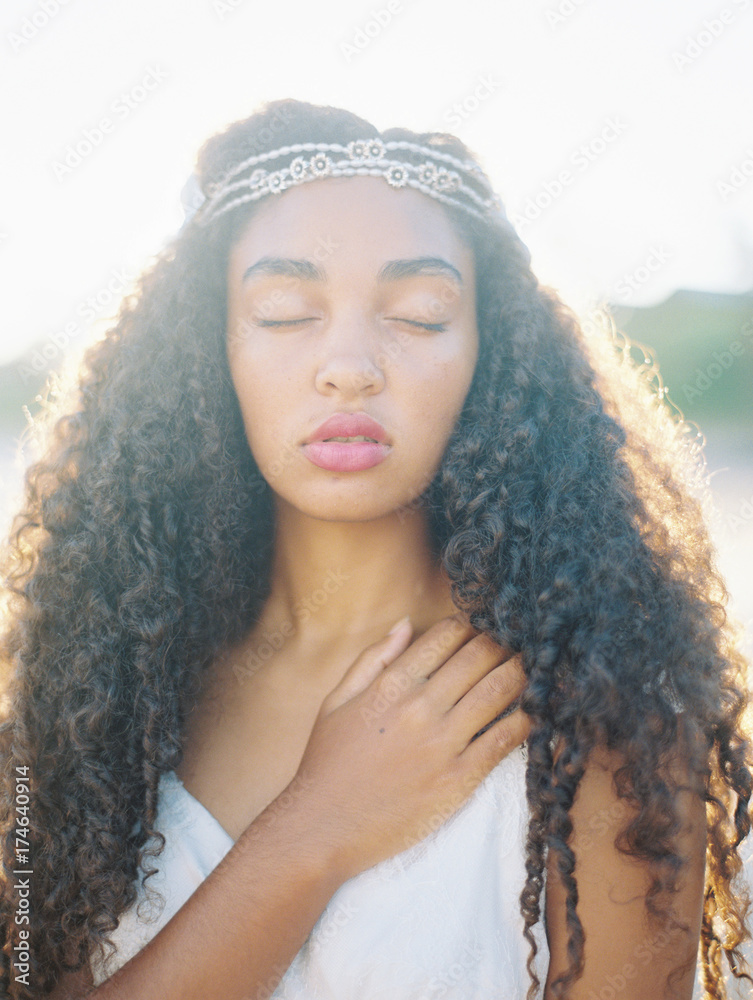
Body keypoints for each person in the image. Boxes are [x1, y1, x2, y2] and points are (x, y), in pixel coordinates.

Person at [0, 98, 750, 1000]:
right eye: (283, 312)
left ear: (491, 352)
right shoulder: (79, 707)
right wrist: (317, 828)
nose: (349, 363)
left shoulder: (595, 703)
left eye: (421, 315)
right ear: (208, 350)